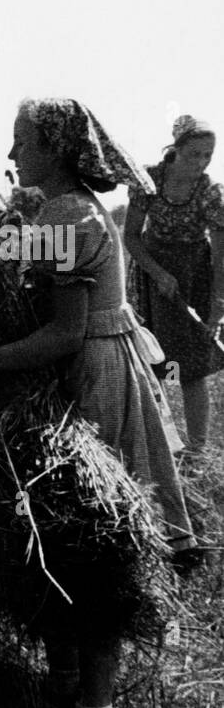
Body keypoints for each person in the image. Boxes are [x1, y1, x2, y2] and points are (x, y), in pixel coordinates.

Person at [0, 97, 198, 708]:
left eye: (21, 142)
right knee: (72, 536)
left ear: (56, 149)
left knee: (91, 543)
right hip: (102, 365)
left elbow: (64, 333)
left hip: (90, 380)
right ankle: (67, 690)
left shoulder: (67, 214)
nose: (11, 155)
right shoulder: (66, 210)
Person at [124, 114, 224, 463]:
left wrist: (217, 304)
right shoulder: (148, 180)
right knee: (155, 362)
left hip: (194, 276)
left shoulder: (211, 192)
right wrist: (158, 273)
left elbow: (221, 255)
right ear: (175, 150)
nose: (201, 162)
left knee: (192, 368)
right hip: (153, 274)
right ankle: (160, 449)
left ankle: (196, 455)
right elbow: (131, 237)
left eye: (208, 155)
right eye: (194, 153)